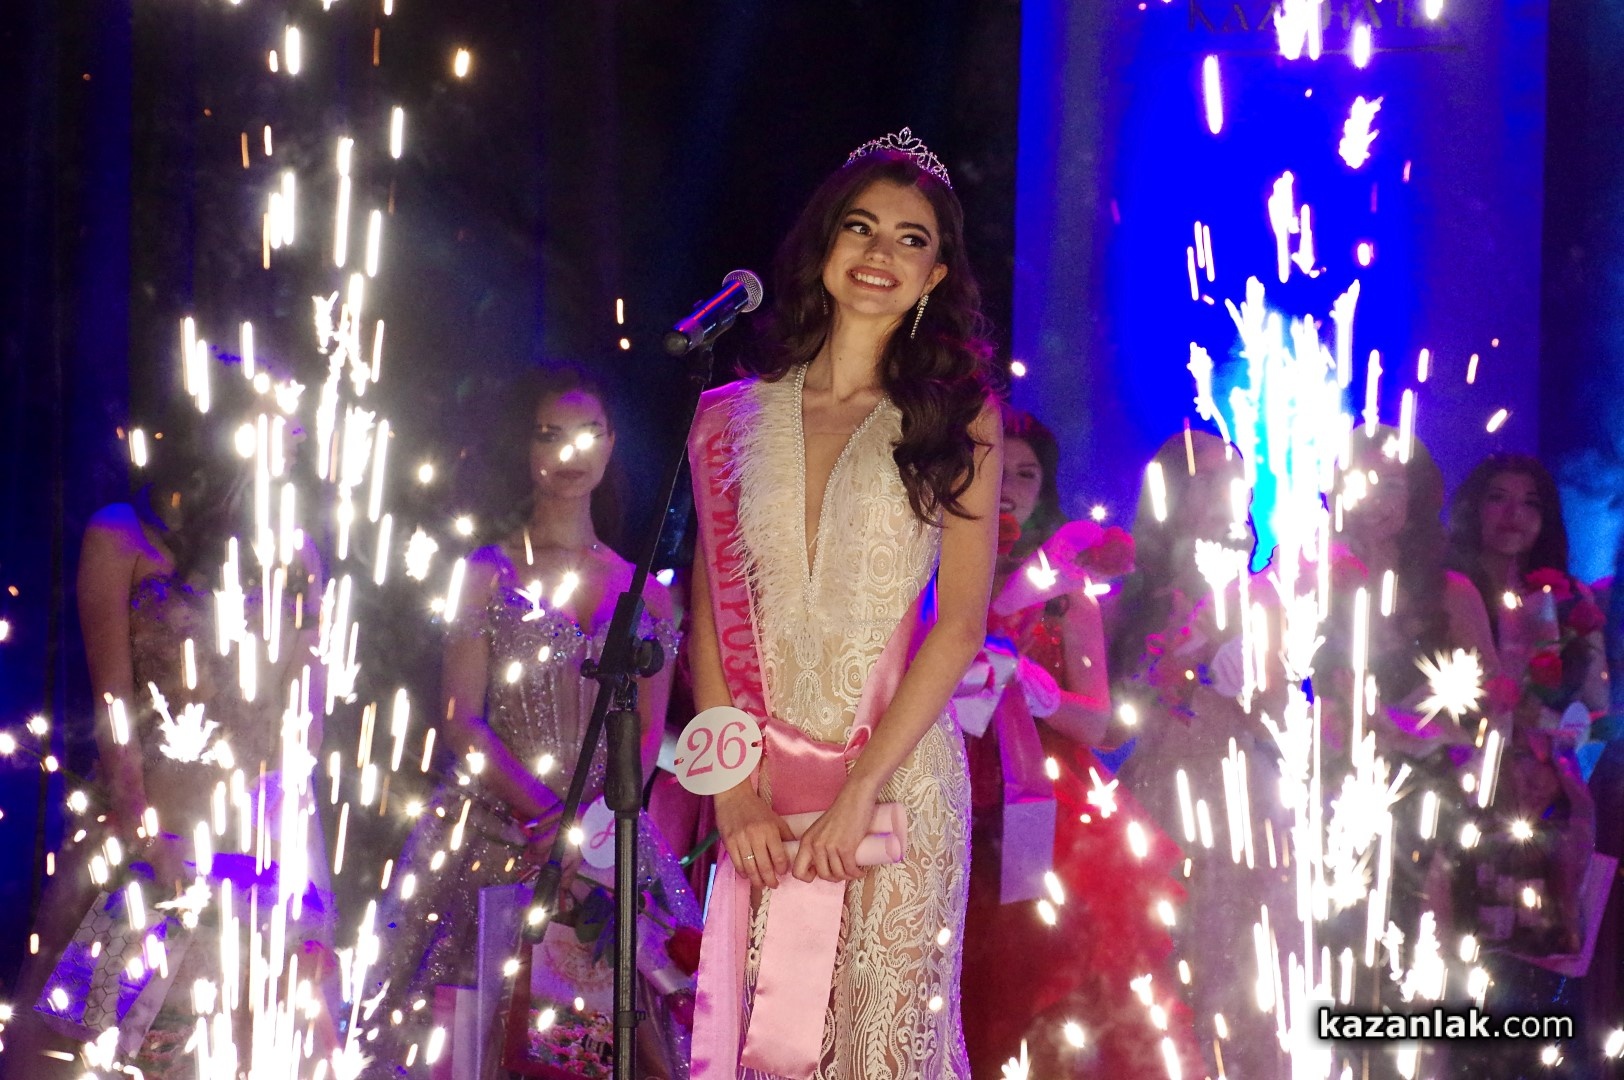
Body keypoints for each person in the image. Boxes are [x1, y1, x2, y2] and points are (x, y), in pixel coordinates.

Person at [685, 132, 999, 1078]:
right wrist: (732, 790)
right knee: (772, 1044)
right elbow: (711, 615)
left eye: (911, 239)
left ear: (935, 275)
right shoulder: (730, 416)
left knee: (882, 1049)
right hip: (764, 788)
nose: (879, 252)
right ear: (824, 245)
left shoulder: (957, 417)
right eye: (860, 227)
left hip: (898, 784)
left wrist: (860, 790)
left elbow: (961, 624)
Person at [365, 367, 698, 1078]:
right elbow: (460, 722)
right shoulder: (486, 572)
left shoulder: (647, 593)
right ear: (525, 446)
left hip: (609, 841)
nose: (570, 452)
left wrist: (588, 830)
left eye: (588, 433)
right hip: (494, 837)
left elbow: (646, 737)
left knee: (625, 1039)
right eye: (550, 434)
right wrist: (550, 820)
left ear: (612, 444)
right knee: (472, 1040)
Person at [3, 385, 332, 1080]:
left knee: (252, 1048)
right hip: (144, 831)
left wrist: (276, 848)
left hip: (253, 845)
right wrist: (144, 830)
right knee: (97, 1051)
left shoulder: (296, 550)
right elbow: (113, 706)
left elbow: (304, 719)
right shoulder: (121, 534)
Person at [959, 409, 1198, 1078]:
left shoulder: (1069, 594)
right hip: (944, 792)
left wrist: (1040, 694)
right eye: (994, 469)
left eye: (1027, 474)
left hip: (1047, 803)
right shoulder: (931, 577)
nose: (1009, 487)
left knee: (1040, 977)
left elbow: (1096, 721)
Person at [1106, 429, 1293, 1080]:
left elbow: (1286, 720)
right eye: (1204, 479)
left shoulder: (1262, 594)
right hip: (1155, 799)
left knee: (1241, 977)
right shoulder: (1128, 596)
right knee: (1160, 969)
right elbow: (1106, 724)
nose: (1221, 494)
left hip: (1245, 810)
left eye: (1232, 480)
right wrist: (1159, 675)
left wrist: (1254, 685)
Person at [1447, 453, 1608, 740]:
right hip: (1461, 747)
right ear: (1474, 508)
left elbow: (1598, 706)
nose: (1514, 513)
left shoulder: (1571, 596)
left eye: (1530, 503)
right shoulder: (1450, 590)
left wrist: (1554, 725)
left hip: (1550, 758)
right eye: (1498, 498)